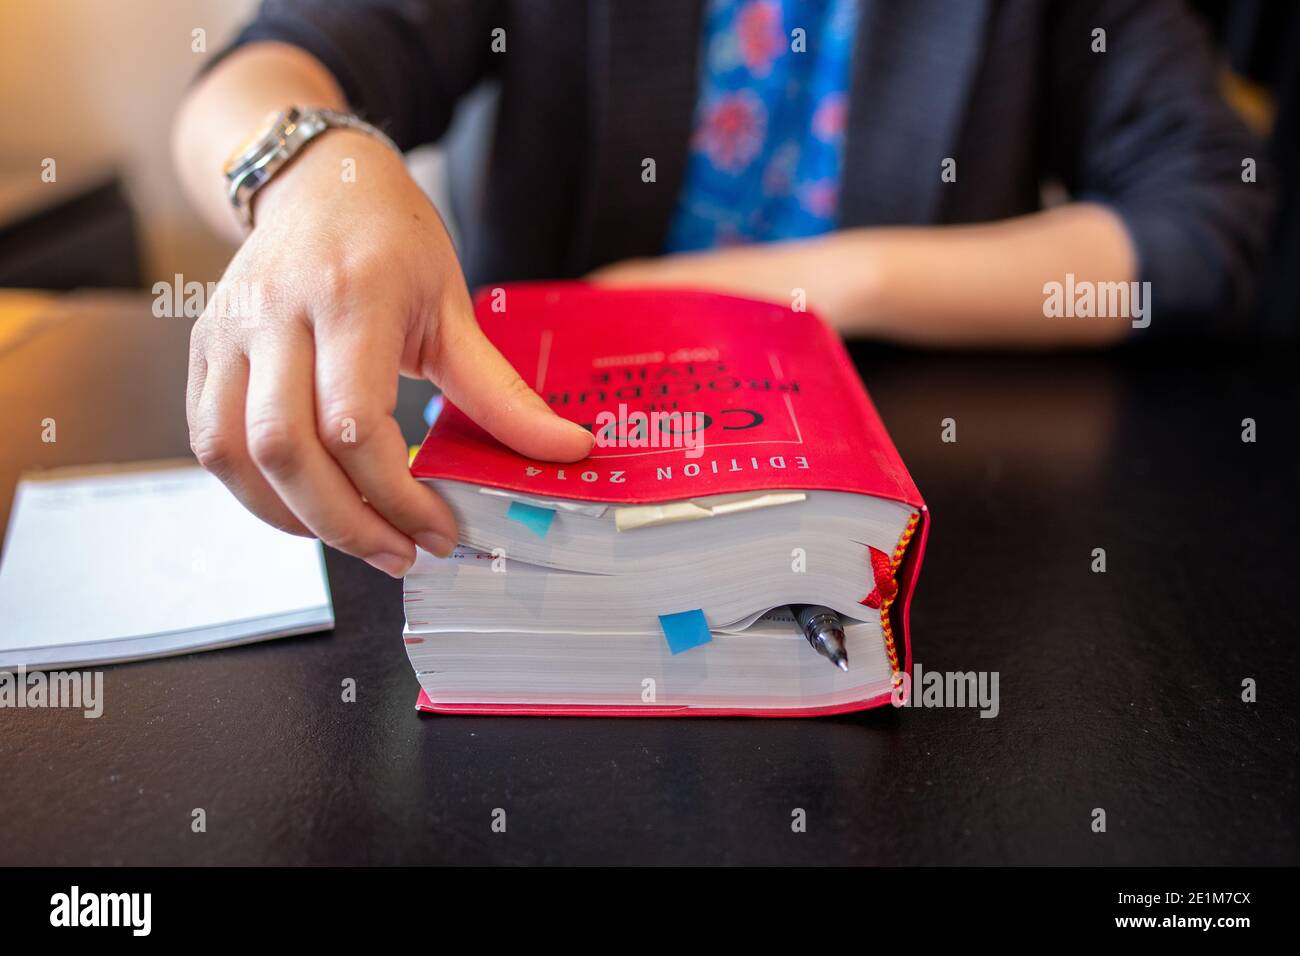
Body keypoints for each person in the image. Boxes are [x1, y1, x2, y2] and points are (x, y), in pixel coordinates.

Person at [173, 0, 1273, 578]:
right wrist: (315, 166)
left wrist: (811, 283)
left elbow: (1213, 214)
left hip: (929, 513)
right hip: (540, 509)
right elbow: (271, 65)